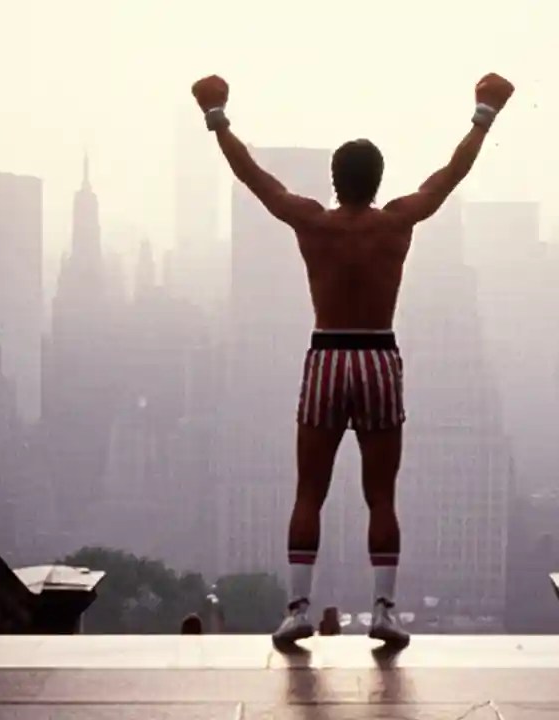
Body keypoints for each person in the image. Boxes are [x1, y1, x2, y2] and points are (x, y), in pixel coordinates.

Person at [190, 72, 515, 647]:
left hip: (328, 357)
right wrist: (483, 114)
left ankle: (297, 610)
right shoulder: (396, 222)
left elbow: (255, 179)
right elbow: (451, 175)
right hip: (378, 358)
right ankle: (385, 610)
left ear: (335, 181)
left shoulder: (314, 221)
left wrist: (217, 118)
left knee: (308, 490)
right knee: (381, 494)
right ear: (379, 180)